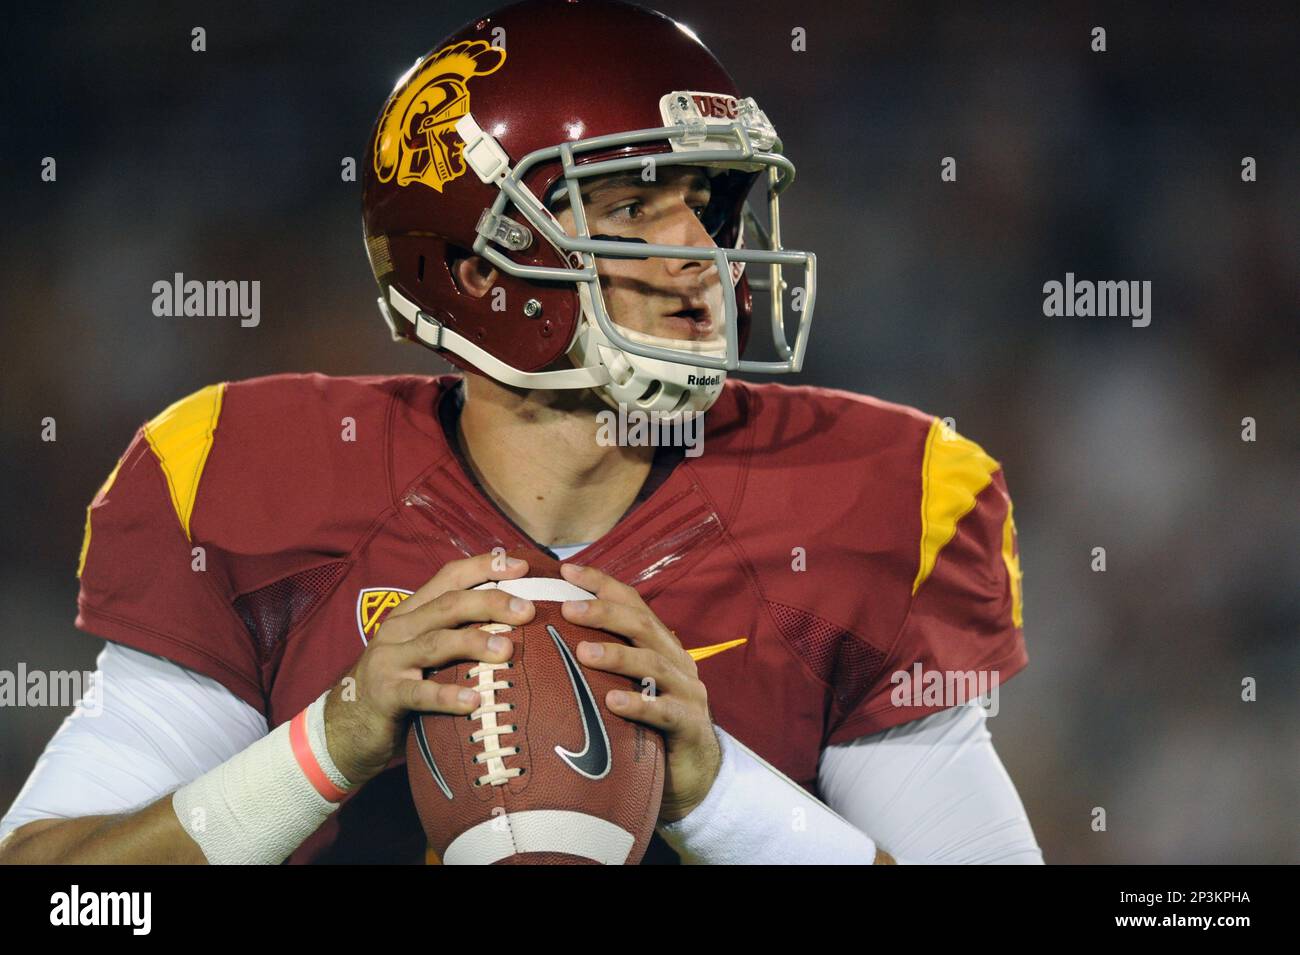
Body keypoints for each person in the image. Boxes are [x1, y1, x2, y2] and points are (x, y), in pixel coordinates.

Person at [0, 0, 1041, 864]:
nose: (701, 255)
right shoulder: (248, 476)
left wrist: (723, 794)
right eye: (634, 209)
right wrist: (329, 744)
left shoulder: (866, 493)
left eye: (707, 203)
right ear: (478, 268)